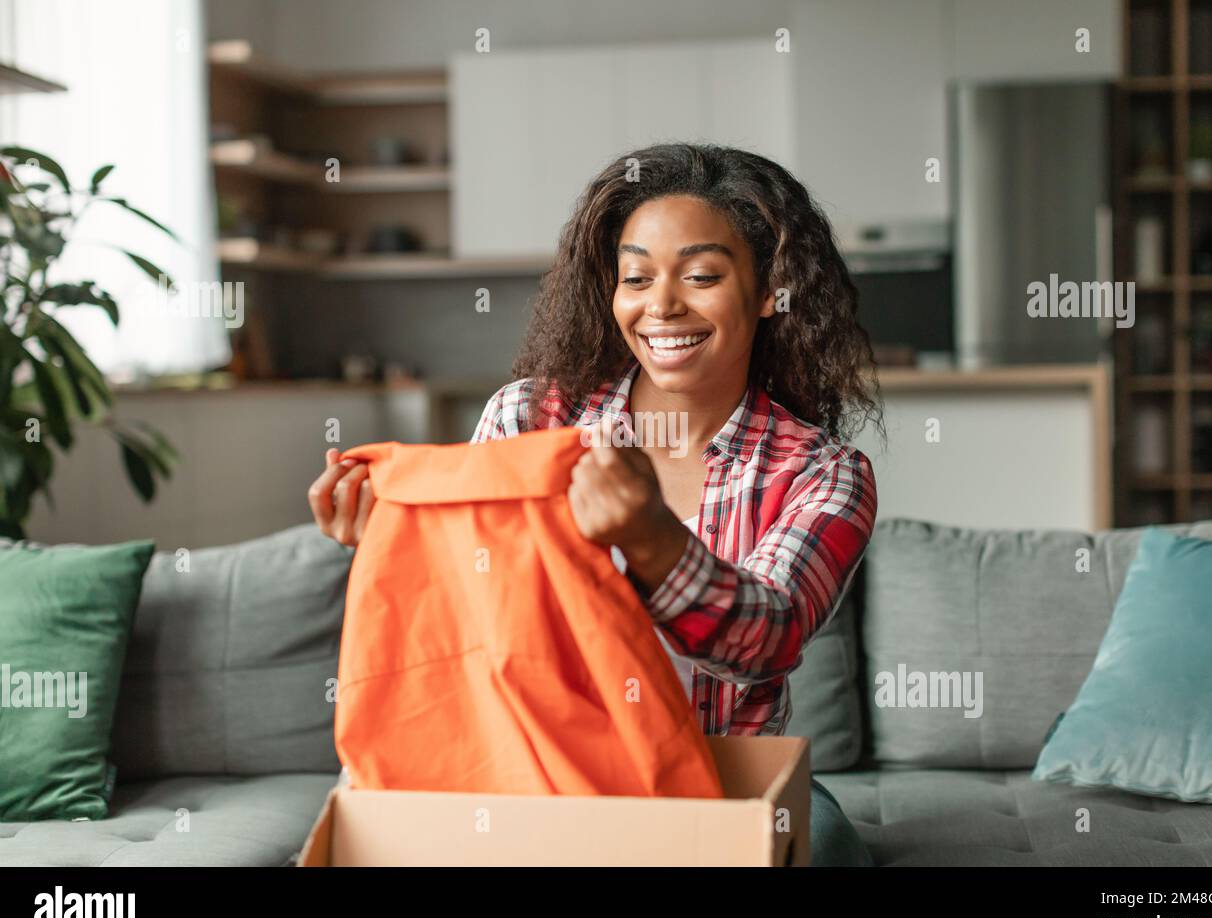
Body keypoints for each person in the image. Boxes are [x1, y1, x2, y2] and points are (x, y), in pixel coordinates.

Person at [309, 143, 880, 866]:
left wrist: (653, 541)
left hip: (719, 774)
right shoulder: (530, 420)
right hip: (535, 765)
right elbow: (475, 613)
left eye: (701, 275)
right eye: (635, 277)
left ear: (770, 290)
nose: (662, 305)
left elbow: (767, 640)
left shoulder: (823, 474)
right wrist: (394, 541)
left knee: (824, 846)